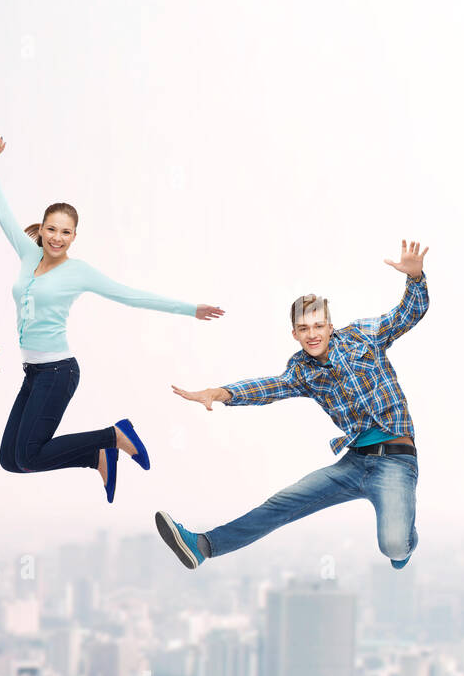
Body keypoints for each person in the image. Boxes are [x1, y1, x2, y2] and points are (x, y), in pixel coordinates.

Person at [156, 240, 429, 571]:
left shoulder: (362, 336)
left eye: (317, 326)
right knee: (281, 504)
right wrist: (221, 392)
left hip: (396, 462)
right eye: (303, 329)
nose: (312, 334)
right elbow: (270, 387)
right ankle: (202, 546)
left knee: (394, 546)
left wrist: (415, 278)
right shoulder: (302, 368)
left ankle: (404, 540)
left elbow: (407, 315)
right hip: (354, 463)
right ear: (295, 334)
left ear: (330, 326)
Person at [0, 136, 224, 502]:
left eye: (65, 232)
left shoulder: (79, 272)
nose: (56, 238)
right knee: (11, 461)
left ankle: (113, 436)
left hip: (58, 373)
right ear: (43, 229)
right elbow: (3, 214)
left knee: (29, 455)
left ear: (74, 236)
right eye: (51, 229)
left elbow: (131, 296)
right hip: (33, 374)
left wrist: (190, 309)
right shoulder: (27, 256)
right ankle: (96, 456)